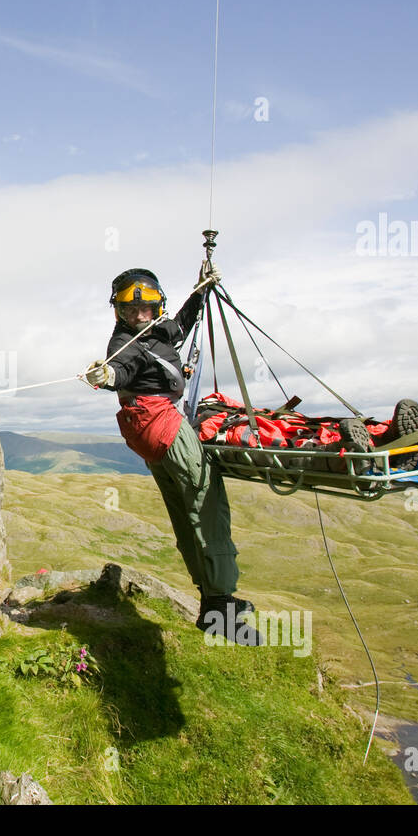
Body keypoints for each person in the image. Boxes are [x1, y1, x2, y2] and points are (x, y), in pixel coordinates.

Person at [85, 266, 261, 645]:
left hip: (148, 434)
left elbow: (181, 323)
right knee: (209, 504)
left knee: (185, 511)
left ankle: (211, 601)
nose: (140, 315)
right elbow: (120, 366)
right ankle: (222, 609)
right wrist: (107, 376)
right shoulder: (125, 342)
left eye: (147, 307)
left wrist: (201, 290)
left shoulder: (157, 331)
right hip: (162, 424)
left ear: (156, 306)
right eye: (132, 310)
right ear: (119, 312)